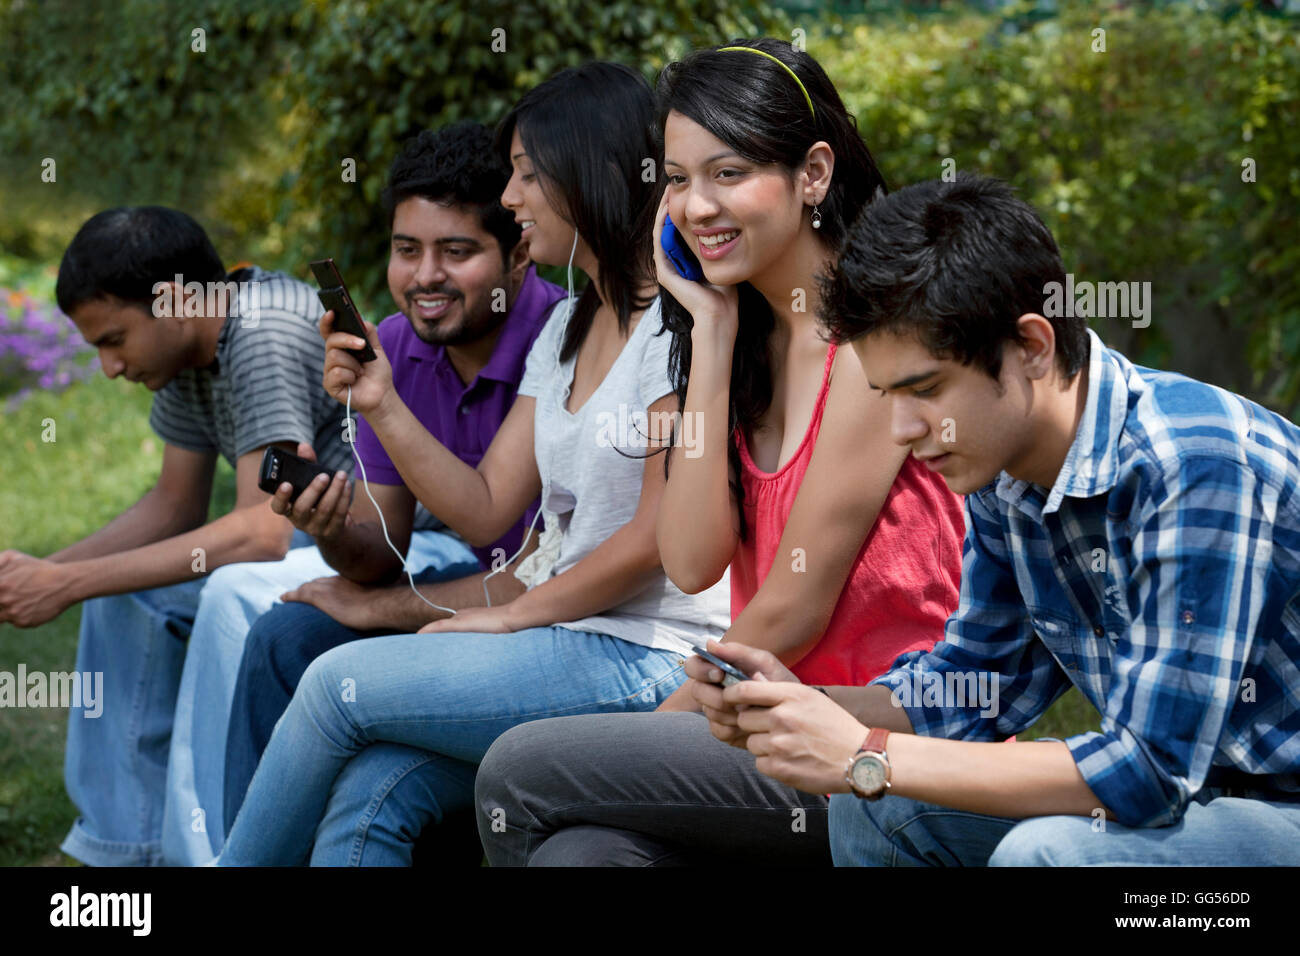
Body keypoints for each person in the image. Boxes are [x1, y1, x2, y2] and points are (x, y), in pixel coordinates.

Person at [673, 174, 1300, 866]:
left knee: (1049, 855)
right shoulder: (1005, 476)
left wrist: (865, 753)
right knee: (876, 809)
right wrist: (800, 705)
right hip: (1205, 805)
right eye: (885, 394)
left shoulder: (1196, 463)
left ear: (1030, 346)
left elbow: (1149, 771)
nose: (904, 429)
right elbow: (971, 687)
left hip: (1279, 808)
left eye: (926, 390)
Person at [216, 60, 731, 867]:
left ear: (587, 172)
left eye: (527, 175)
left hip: (645, 651)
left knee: (334, 688)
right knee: (376, 787)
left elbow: (655, 538)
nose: (513, 198)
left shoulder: (677, 326)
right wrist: (382, 400)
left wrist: (508, 615)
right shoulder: (568, 331)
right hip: (570, 634)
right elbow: (491, 505)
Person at [472, 38, 965, 866]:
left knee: (519, 769)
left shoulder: (872, 346)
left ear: (813, 174)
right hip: (763, 717)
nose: (697, 206)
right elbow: (693, 558)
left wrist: (669, 724)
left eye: (728, 173)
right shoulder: (728, 343)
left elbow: (793, 611)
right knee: (584, 854)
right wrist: (710, 329)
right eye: (676, 179)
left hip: (872, 731)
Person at [160, 121, 566, 864]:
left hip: (554, 620)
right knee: (286, 637)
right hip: (473, 596)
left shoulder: (565, 343)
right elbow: (381, 552)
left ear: (517, 254)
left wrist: (375, 607)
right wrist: (329, 525)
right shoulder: (397, 346)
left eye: (457, 251)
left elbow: (539, 577)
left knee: (332, 664)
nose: (424, 276)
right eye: (406, 250)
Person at [0, 206, 350, 866]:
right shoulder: (196, 347)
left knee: (190, 589)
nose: (108, 366)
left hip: (381, 551)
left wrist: (66, 583)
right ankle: (126, 850)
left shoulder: (262, 329)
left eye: (114, 340)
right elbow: (172, 505)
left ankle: (199, 853)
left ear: (178, 300)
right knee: (125, 589)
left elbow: (260, 535)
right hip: (305, 551)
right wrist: (40, 574)